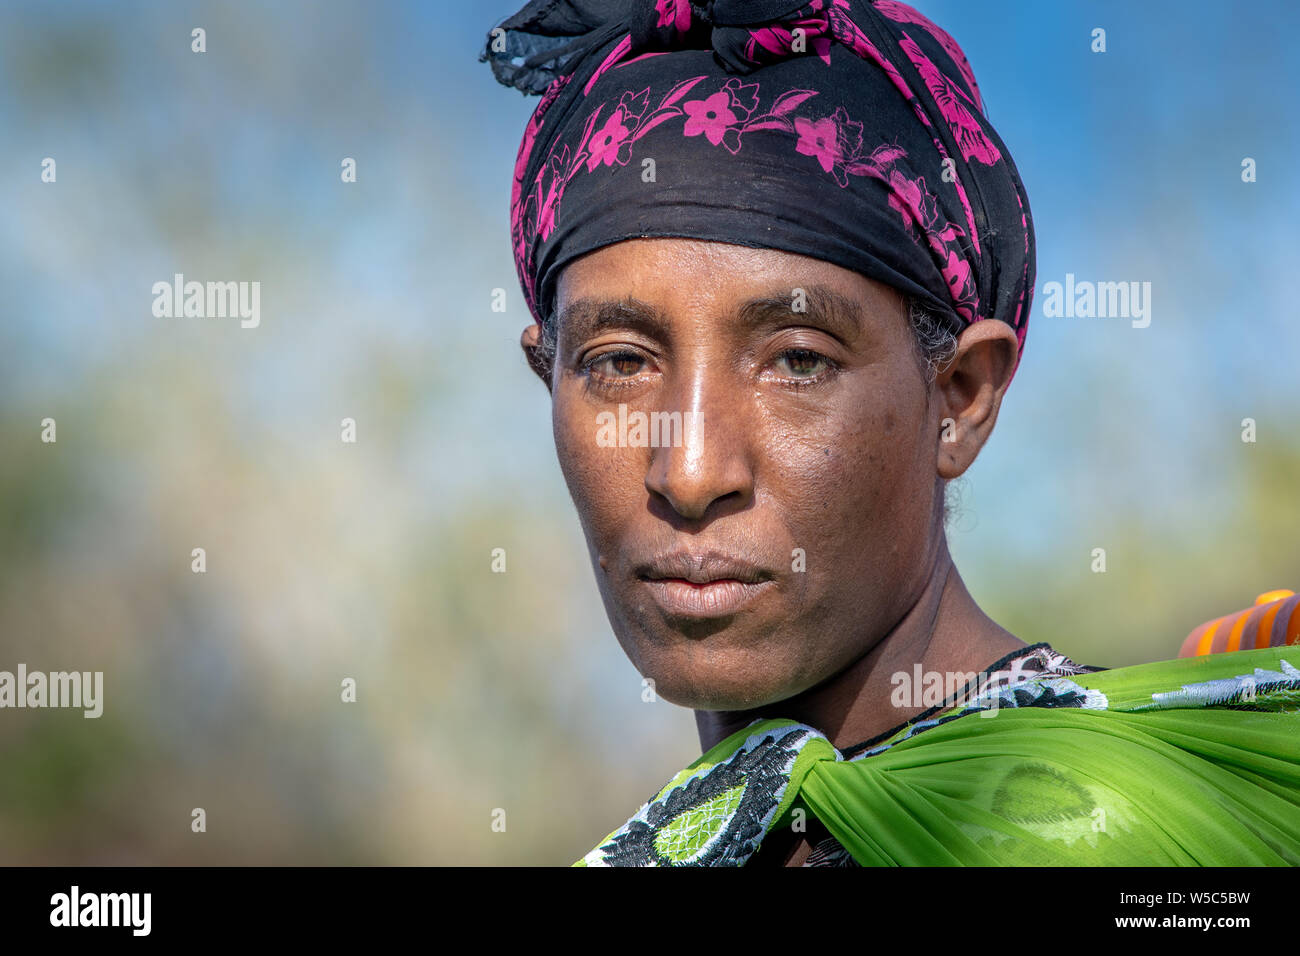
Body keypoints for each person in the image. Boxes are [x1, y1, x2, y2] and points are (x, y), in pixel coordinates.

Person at [481, 0, 1300, 866]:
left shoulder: (1131, 835)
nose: (689, 471)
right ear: (547, 371)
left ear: (960, 397)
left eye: (797, 362)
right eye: (619, 362)